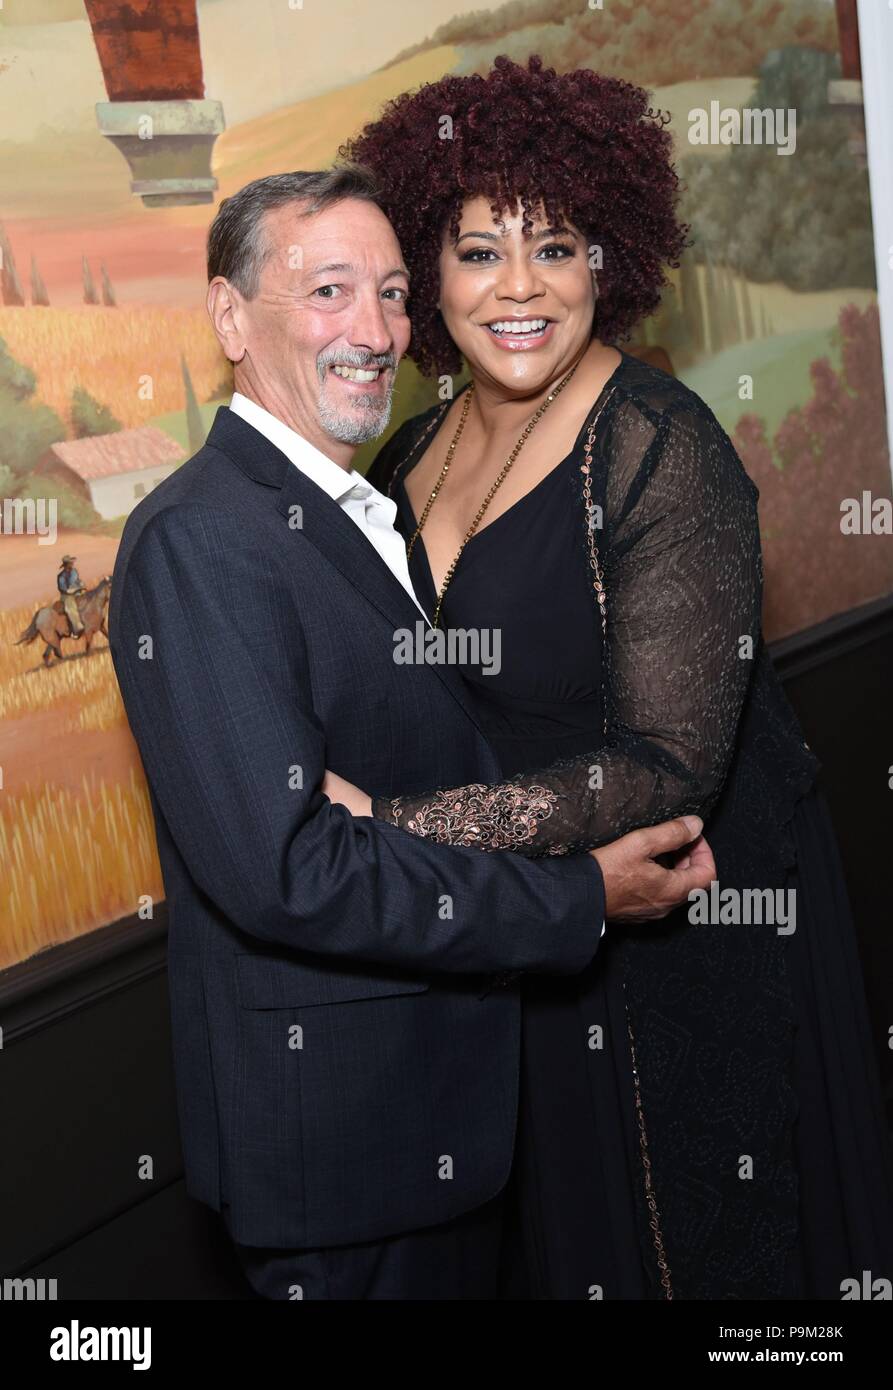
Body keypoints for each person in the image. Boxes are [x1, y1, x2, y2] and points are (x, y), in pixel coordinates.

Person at [329, 55, 893, 1299]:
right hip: (518, 917)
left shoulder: (656, 442)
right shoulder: (409, 447)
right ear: (428, 270)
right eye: (479, 252)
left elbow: (670, 765)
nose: (519, 287)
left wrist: (394, 837)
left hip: (678, 914)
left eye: (558, 246)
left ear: (610, 257)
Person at [108, 167, 711, 1302]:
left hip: (432, 1125)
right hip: (343, 1154)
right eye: (327, 291)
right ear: (230, 318)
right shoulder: (202, 540)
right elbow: (290, 872)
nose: (376, 330)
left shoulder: (359, 505)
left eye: (391, 294)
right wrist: (583, 896)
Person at [57, 555, 85, 637]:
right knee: (70, 606)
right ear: (66, 565)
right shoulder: (61, 576)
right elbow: (64, 589)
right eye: (70, 563)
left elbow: (78, 581)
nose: (72, 564)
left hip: (78, 592)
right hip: (66, 596)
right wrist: (73, 590)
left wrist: (81, 585)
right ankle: (77, 627)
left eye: (72, 563)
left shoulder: (74, 572)